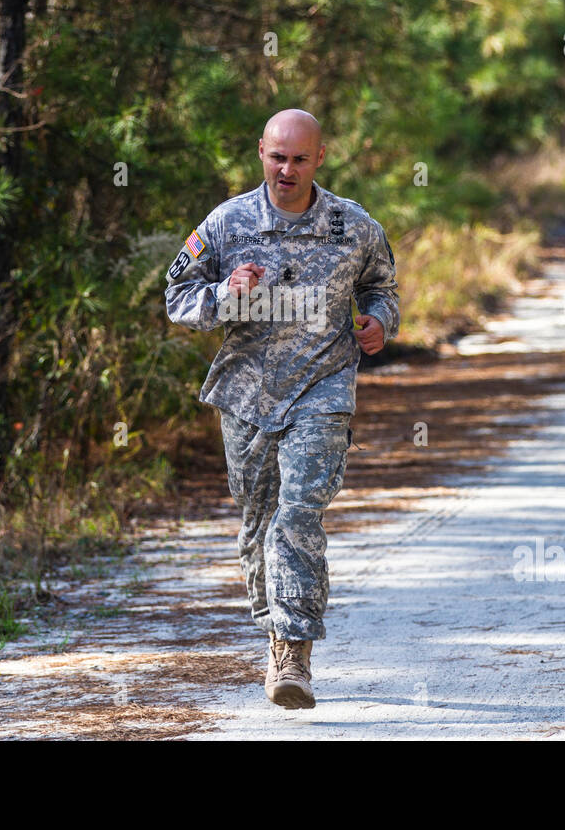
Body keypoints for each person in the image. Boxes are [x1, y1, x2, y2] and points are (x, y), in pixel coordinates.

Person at [164, 108, 400, 709]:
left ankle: (292, 651)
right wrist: (224, 294)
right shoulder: (226, 223)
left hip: (323, 388)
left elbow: (381, 287)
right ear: (261, 154)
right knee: (258, 521)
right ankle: (274, 626)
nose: (287, 170)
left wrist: (378, 323)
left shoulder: (354, 226)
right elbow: (177, 297)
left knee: (298, 512)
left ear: (320, 157)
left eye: (299, 158)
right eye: (277, 157)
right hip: (246, 393)